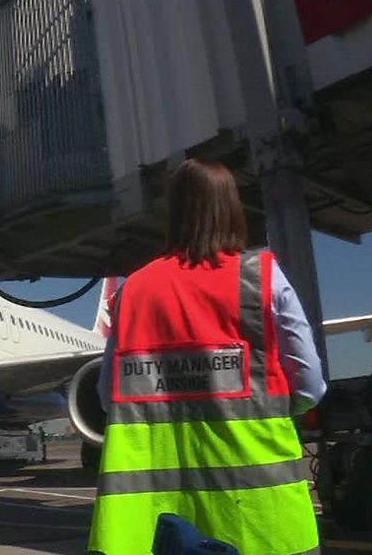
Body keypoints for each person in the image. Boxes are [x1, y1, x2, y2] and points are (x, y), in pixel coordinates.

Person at [88, 159, 326, 554]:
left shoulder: (132, 291)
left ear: (174, 213)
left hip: (153, 519)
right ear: (231, 208)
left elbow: (106, 395)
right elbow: (309, 385)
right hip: (256, 509)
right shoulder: (261, 277)